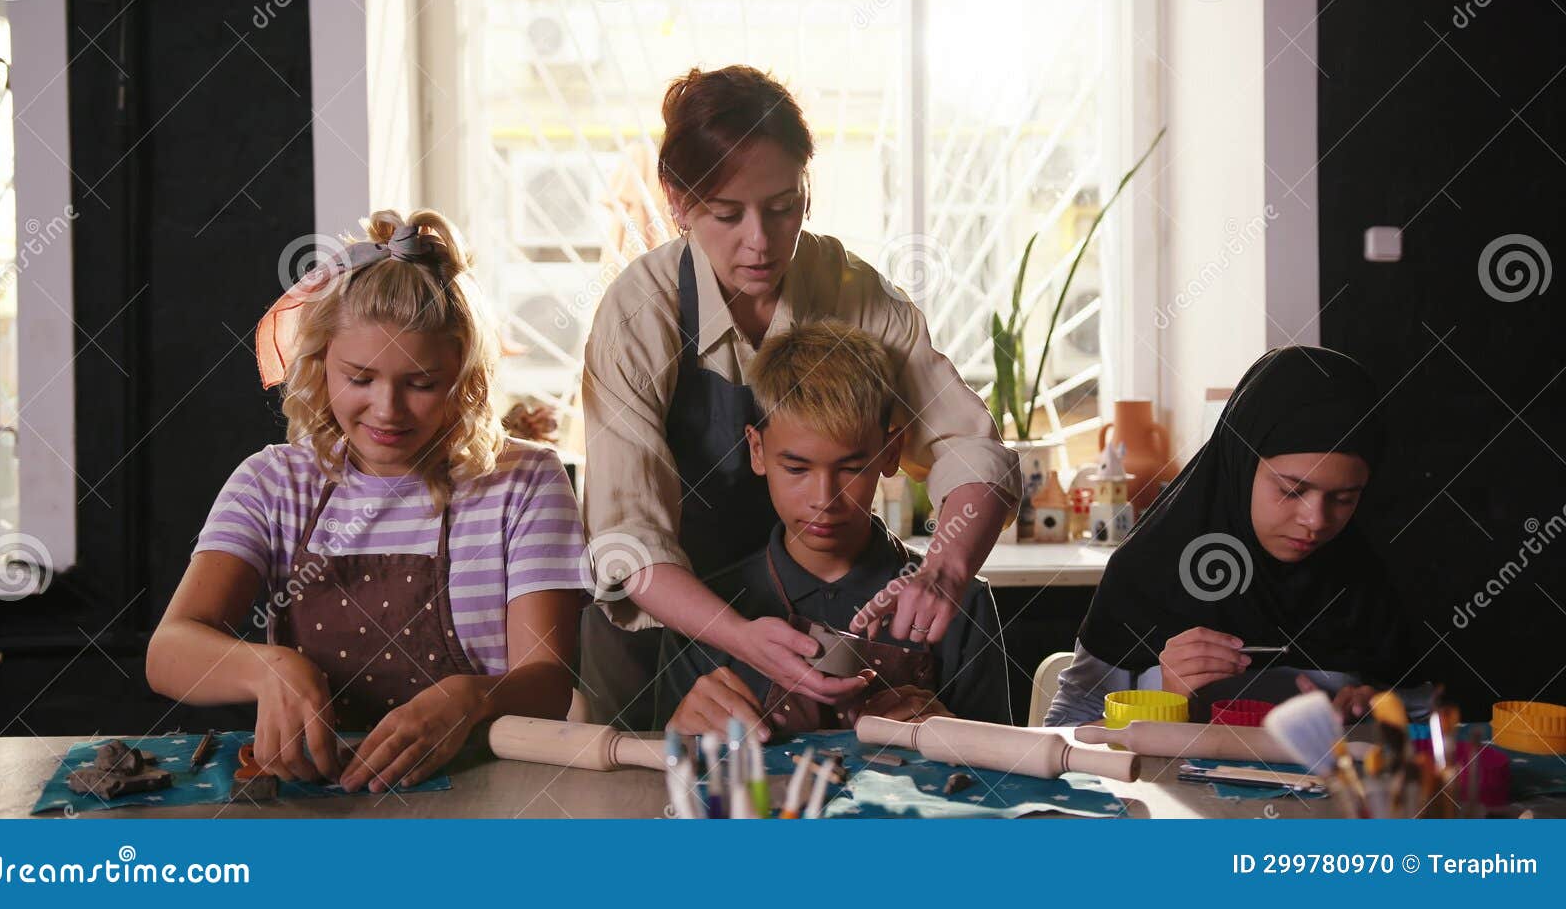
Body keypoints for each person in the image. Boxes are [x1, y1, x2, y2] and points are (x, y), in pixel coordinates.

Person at [579, 65, 1019, 729]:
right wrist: (741, 636)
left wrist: (949, 566)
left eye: (783, 207)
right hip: (675, 633)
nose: (759, 241)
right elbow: (627, 542)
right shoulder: (639, 315)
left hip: (830, 601)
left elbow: (969, 446)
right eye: (727, 214)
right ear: (679, 200)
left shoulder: (853, 293)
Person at [147, 210, 591, 792]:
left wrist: (470, 698)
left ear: (466, 378)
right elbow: (168, 653)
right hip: (322, 796)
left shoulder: (523, 482)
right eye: (360, 379)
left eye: (421, 383)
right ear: (320, 365)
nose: (387, 410)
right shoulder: (273, 484)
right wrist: (269, 667)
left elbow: (549, 682)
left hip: (483, 792)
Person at [662, 322, 1012, 740]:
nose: (824, 498)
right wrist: (678, 732)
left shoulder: (963, 605)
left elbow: (1002, 783)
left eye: (851, 468)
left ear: (891, 452)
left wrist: (952, 735)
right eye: (796, 468)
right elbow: (660, 784)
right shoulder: (702, 607)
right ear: (757, 451)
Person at [1045, 346, 1429, 726]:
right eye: (1291, 491)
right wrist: (1164, 702)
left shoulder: (1372, 577)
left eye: (1344, 498)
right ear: (1240, 465)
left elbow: (1428, 717)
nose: (1316, 520)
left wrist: (1381, 712)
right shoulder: (1147, 571)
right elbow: (1063, 730)